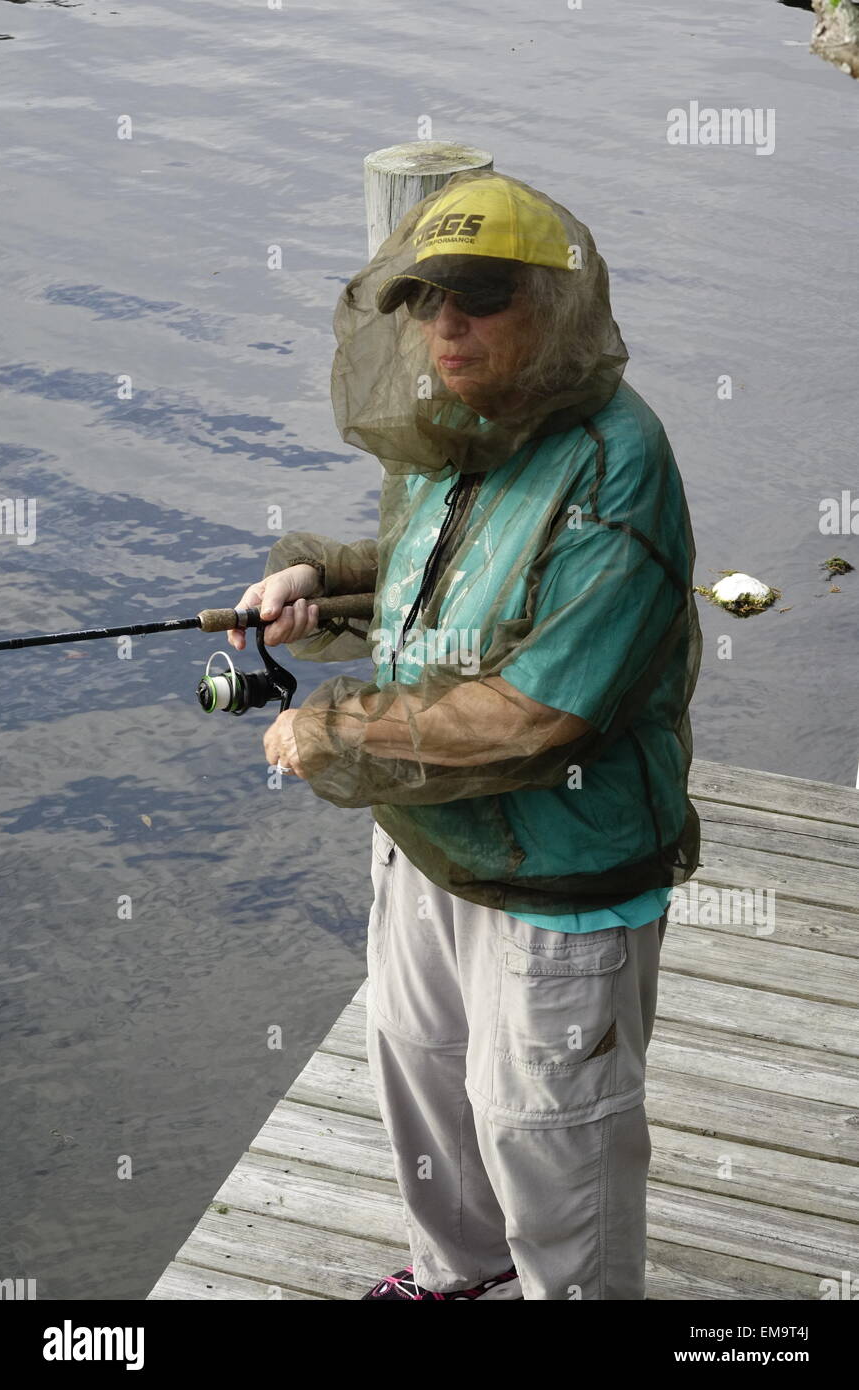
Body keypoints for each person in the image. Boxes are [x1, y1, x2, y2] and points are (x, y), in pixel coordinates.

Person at [228, 170, 702, 1300]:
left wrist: (327, 732)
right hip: (429, 838)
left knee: (548, 1131)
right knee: (425, 1079)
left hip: (562, 872)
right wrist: (319, 579)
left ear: (554, 307)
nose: (447, 325)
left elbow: (536, 712)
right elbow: (430, 570)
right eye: (428, 299)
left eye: (481, 299)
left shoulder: (615, 464)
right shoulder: (462, 418)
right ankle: (458, 1273)